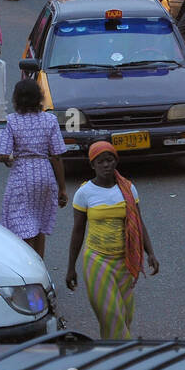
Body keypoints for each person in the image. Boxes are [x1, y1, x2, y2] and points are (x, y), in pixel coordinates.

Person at [66, 140, 160, 339]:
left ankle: (109, 354)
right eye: (100, 162)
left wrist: (150, 252)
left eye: (109, 160)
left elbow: (139, 223)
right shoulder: (84, 193)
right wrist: (71, 267)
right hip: (97, 261)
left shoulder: (128, 189)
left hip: (124, 261)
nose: (106, 165)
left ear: (116, 162)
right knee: (110, 314)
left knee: (125, 313)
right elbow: (77, 231)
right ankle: (125, 356)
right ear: (92, 165)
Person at [0, 78, 69, 258]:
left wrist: (3, 156)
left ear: (16, 99)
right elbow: (57, 155)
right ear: (39, 97)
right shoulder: (50, 120)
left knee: (22, 227)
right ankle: (40, 269)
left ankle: (27, 270)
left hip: (22, 177)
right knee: (39, 225)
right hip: (45, 175)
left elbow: (4, 154)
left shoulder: (10, 121)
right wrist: (62, 188)